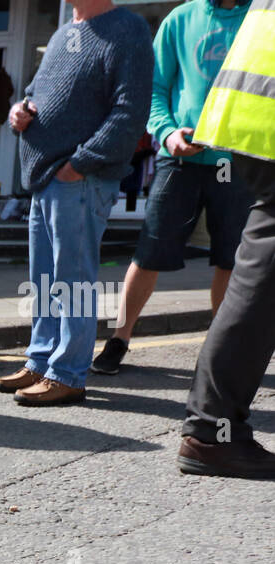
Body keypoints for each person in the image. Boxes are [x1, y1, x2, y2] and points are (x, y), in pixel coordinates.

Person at [0, 0, 152, 407]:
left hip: (78, 178)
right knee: (46, 279)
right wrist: (20, 112)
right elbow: (34, 94)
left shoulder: (127, 29)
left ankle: (67, 374)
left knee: (73, 280)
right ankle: (42, 360)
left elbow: (129, 112)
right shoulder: (65, 31)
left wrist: (79, 165)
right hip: (46, 178)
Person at [93, 0, 253, 375]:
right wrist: (166, 135)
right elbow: (155, 88)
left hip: (237, 162)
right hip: (179, 159)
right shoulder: (181, 19)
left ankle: (220, 348)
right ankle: (119, 339)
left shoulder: (262, 18)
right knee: (149, 252)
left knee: (231, 258)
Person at [176, 0, 275, 478]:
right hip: (265, 112)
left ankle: (210, 428)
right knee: (267, 260)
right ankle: (211, 429)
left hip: (256, 108)